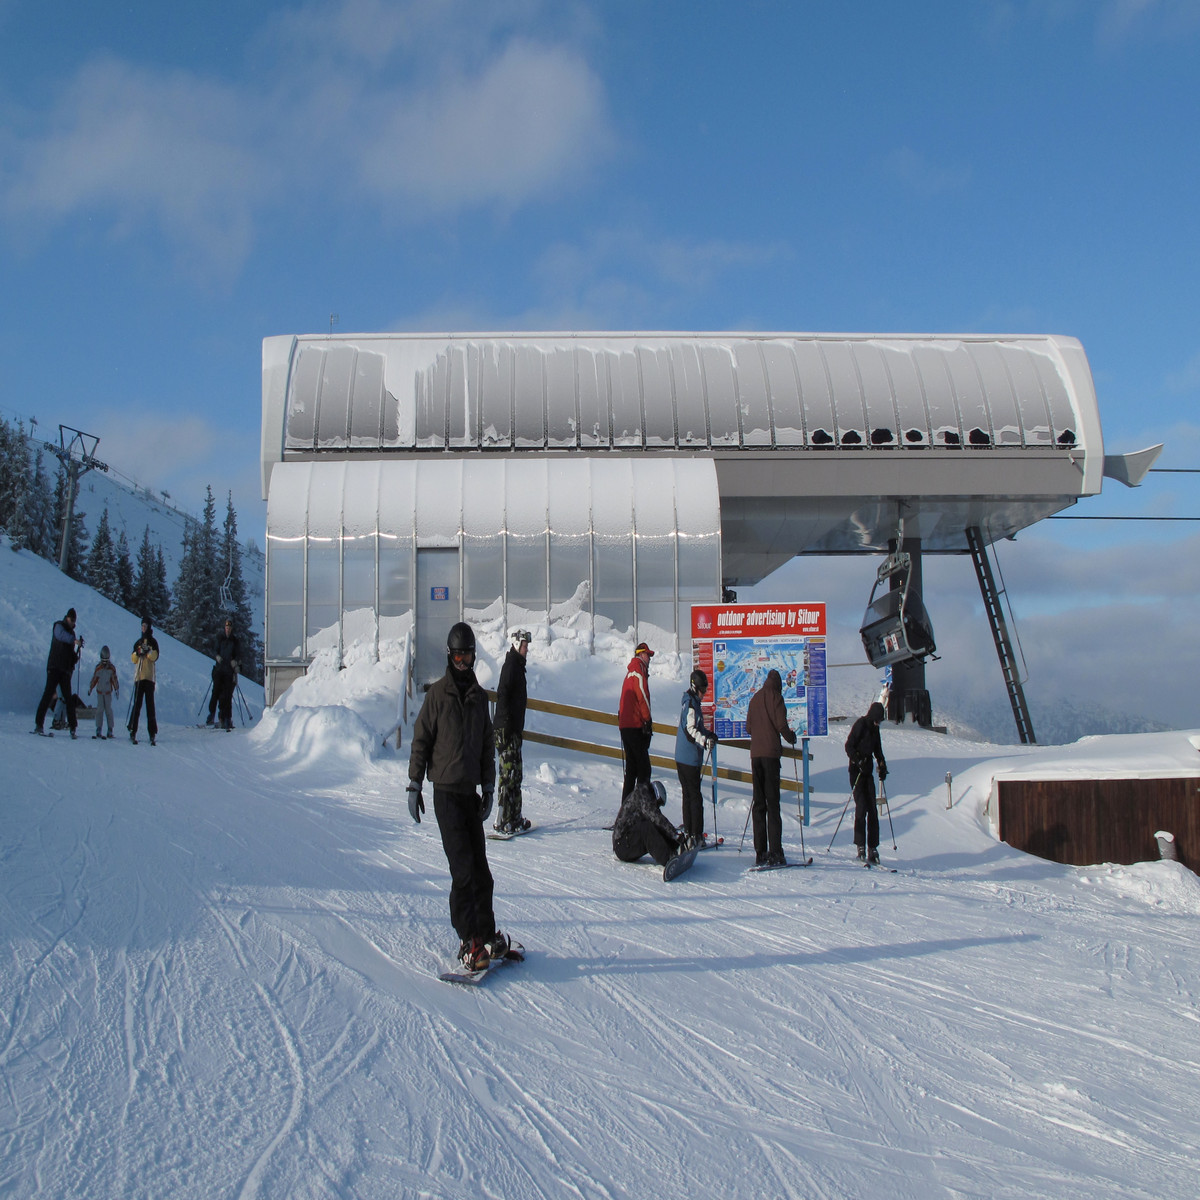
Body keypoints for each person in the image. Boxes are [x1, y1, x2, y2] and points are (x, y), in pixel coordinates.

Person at [407, 621, 509, 971]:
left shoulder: (480, 698)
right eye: (458, 657)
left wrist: (489, 788)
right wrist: (414, 784)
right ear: (449, 657)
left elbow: (485, 746)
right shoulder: (437, 696)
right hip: (446, 795)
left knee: (482, 871)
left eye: (468, 657)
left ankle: (486, 932)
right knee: (463, 870)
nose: (464, 663)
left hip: (469, 795)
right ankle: (468, 940)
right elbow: (420, 741)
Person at [746, 669, 797, 867]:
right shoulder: (776, 698)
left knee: (759, 803)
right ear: (777, 684)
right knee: (773, 804)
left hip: (755, 756)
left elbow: (749, 728)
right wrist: (790, 737)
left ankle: (760, 852)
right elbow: (781, 724)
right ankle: (776, 852)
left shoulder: (755, 698)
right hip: (770, 756)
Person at [493, 629, 531, 834]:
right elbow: (503, 695)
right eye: (525, 646)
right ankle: (503, 818)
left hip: (514, 729)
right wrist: (506, 726)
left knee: (516, 774)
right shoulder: (510, 666)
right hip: (506, 729)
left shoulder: (518, 667)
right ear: (517, 645)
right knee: (507, 774)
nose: (527, 650)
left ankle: (515, 815)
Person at [674, 669, 717, 849]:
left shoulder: (691, 702)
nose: (704, 693)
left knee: (689, 795)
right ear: (695, 687)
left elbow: (697, 727)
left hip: (683, 757)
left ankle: (690, 833)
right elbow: (690, 730)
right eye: (702, 689)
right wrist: (705, 741)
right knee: (695, 797)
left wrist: (709, 734)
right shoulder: (691, 704)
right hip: (689, 758)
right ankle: (696, 836)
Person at [845, 701, 888, 864]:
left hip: (868, 772)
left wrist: (882, 765)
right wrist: (857, 760)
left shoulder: (875, 729)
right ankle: (860, 845)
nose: (879, 723)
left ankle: (873, 847)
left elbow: (878, 750)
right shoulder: (861, 725)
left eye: (880, 720)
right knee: (861, 807)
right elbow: (848, 746)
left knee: (873, 810)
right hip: (856, 772)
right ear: (872, 716)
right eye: (878, 719)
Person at [34, 607, 83, 738]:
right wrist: (74, 641)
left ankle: (73, 727)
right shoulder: (58, 626)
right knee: (48, 694)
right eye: (71, 619)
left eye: (74, 620)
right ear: (67, 618)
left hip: (65, 670)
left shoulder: (72, 634)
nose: (72, 622)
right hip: (55, 666)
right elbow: (61, 637)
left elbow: (69, 652)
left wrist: (75, 655)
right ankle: (39, 724)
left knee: (68, 698)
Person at [612, 779, 683, 868]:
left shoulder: (645, 797)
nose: (657, 806)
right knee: (647, 827)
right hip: (622, 846)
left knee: (653, 826)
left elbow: (657, 822)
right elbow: (656, 817)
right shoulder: (642, 795)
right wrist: (674, 834)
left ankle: (676, 848)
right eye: (658, 802)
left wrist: (676, 841)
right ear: (655, 794)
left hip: (628, 842)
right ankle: (668, 858)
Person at [617, 641, 655, 800]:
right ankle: (642, 806)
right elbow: (643, 697)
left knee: (632, 768)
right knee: (644, 768)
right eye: (648, 655)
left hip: (626, 725)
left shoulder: (631, 671)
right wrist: (647, 720)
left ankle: (626, 810)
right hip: (634, 725)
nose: (649, 659)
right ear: (641, 654)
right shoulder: (638, 670)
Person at [129, 617, 160, 746]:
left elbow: (155, 656)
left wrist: (148, 651)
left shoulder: (153, 642)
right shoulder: (138, 642)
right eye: (142, 626)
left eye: (145, 626)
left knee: (150, 706)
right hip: (139, 677)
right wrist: (138, 652)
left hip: (149, 678)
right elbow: (133, 659)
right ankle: (132, 729)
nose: (143, 628)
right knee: (137, 705)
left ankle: (152, 732)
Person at [206, 618, 240, 730]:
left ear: (231, 629)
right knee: (215, 692)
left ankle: (225, 718)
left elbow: (238, 655)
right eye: (226, 627)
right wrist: (217, 656)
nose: (228, 629)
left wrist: (235, 663)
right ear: (224, 628)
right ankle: (211, 714)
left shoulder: (234, 641)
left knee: (226, 695)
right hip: (219, 669)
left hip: (228, 671)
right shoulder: (220, 638)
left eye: (229, 628)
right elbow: (214, 650)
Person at [87, 646, 120, 739]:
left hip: (108, 692)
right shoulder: (98, 668)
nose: (105, 662)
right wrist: (91, 688)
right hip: (100, 692)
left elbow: (114, 679)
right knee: (100, 710)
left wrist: (116, 688)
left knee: (108, 710)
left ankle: (110, 728)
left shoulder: (111, 668)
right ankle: (99, 728)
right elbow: (94, 679)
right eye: (103, 659)